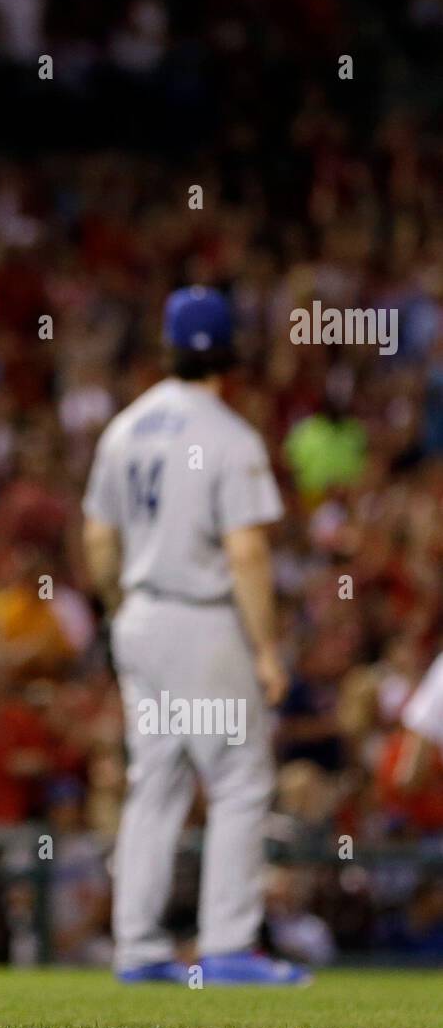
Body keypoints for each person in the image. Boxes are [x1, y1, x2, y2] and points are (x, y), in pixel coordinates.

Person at [83, 287, 310, 986]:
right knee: (240, 776)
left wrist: (123, 609)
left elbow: (97, 539)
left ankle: (139, 946)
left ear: (168, 348)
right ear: (231, 353)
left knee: (156, 780)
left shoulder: (125, 427)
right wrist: (268, 650)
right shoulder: (228, 435)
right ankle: (229, 945)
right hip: (201, 616)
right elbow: (244, 553)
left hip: (141, 617)